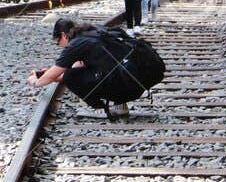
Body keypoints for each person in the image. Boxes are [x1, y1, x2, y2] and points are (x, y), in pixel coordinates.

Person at [29, 17, 164, 121]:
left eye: (57, 41)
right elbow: (76, 69)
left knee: (71, 76)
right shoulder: (93, 32)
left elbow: (60, 75)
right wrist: (51, 74)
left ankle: (99, 109)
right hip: (136, 82)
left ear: (64, 35)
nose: (59, 45)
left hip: (127, 86)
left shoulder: (75, 44)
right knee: (105, 70)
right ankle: (120, 106)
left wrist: (36, 81)